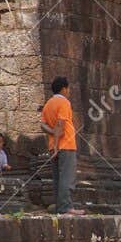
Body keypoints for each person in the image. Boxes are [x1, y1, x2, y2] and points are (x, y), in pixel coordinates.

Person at [39, 76, 83, 215]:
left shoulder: (48, 104)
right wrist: (57, 144)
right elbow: (60, 124)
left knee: (58, 178)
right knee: (67, 177)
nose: (69, 91)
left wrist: (53, 138)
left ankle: (60, 207)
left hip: (54, 145)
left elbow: (43, 125)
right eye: (68, 88)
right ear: (64, 88)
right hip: (65, 145)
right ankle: (65, 207)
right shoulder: (63, 102)